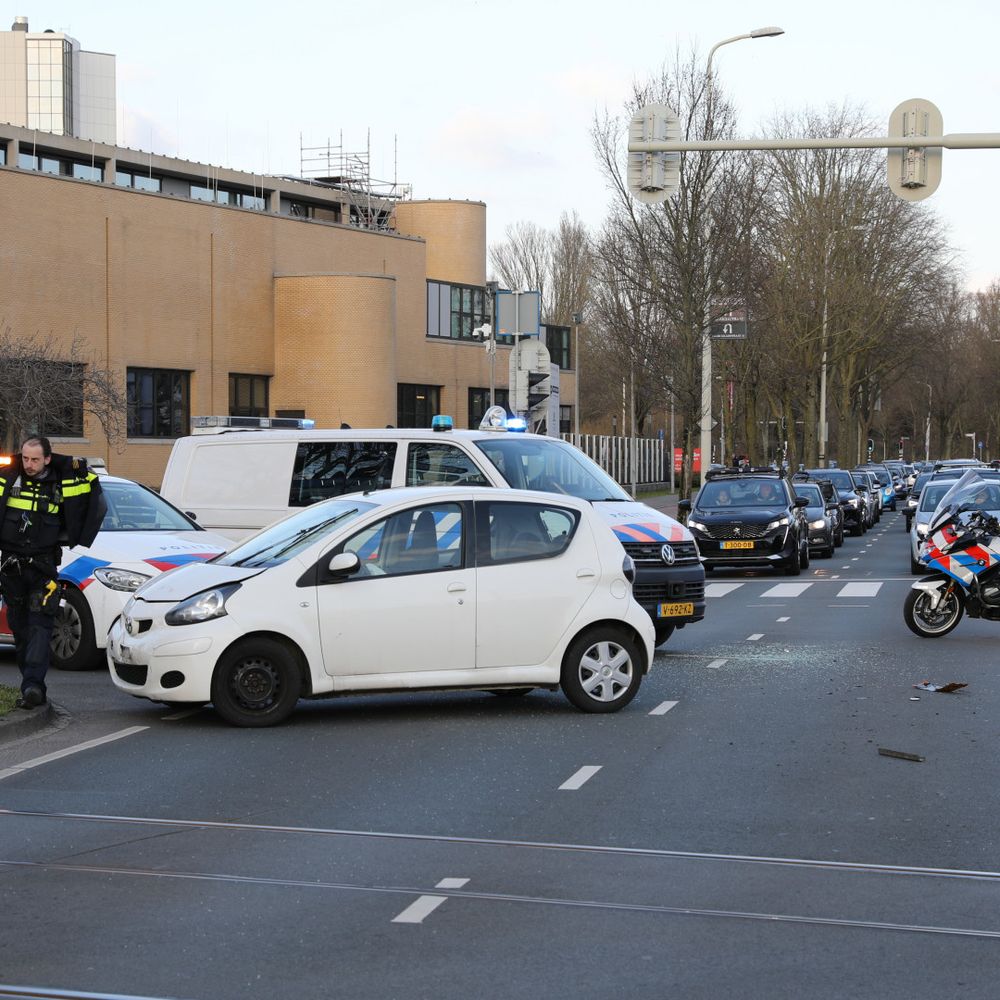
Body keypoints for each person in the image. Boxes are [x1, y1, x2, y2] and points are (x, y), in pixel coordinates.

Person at [0, 436, 105, 709]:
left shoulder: (63, 482)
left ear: (47, 459)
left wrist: (66, 463)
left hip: (43, 567)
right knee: (20, 629)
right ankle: (31, 685)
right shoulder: (7, 478)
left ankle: (33, 687)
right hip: (11, 567)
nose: (29, 464)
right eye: (25, 458)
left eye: (35, 459)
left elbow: (92, 492)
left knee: (40, 626)